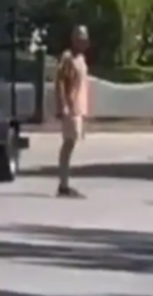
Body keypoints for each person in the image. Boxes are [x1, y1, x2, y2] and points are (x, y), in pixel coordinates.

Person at [54, 25, 90, 199]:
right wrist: (63, 106)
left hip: (79, 108)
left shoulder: (81, 58)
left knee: (72, 143)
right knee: (68, 144)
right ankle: (63, 184)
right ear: (73, 39)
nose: (83, 42)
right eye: (80, 38)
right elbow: (60, 82)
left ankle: (65, 182)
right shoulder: (67, 58)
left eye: (84, 39)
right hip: (70, 107)